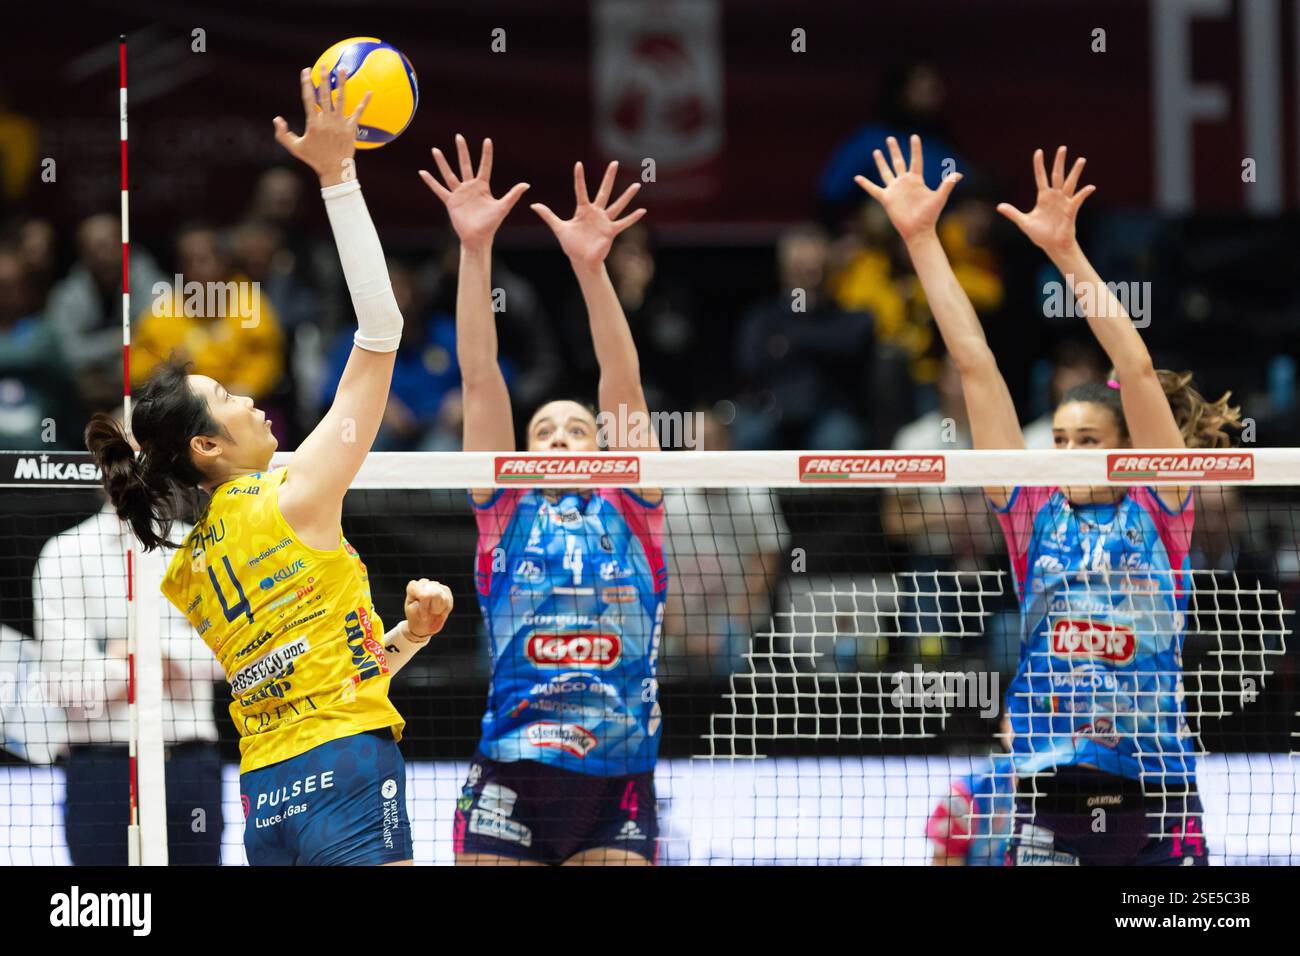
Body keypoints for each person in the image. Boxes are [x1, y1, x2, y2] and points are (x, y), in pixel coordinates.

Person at [84, 67, 453, 867]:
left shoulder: (188, 567)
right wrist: (340, 177)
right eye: (224, 396)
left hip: (267, 799)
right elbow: (381, 329)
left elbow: (313, 672)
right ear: (206, 447)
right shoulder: (296, 491)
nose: (250, 398)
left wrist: (408, 641)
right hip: (347, 772)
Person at [858, 135, 1241, 865]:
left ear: (1127, 449)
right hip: (1050, 788)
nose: (1067, 454)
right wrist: (921, 241)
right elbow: (974, 364)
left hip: (1157, 789)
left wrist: (1067, 256)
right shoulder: (1032, 510)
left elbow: (1133, 363)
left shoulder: (1160, 506)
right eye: (1059, 439)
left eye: (1088, 440)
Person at [420, 135, 665, 866]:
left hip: (616, 779)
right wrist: (475, 249)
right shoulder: (504, 505)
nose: (559, 438)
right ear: (524, 453)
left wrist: (591, 269)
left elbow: (621, 376)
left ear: (603, 448)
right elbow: (478, 375)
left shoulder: (633, 506)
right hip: (512, 775)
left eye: (577, 428)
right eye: (543, 431)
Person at [32, 477, 226, 865]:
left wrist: (125, 653)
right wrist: (169, 657)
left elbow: (225, 655)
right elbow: (71, 684)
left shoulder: (198, 547)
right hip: (101, 772)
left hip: (189, 770)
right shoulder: (64, 553)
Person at [927, 714, 1016, 866]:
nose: (1029, 727)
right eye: (1019, 715)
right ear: (1004, 726)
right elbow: (944, 861)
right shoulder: (966, 795)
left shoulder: (1068, 789)